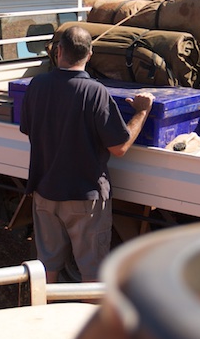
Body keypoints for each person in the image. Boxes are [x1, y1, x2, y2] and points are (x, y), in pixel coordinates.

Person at [20, 25, 154, 283]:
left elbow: (28, 129)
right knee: (92, 274)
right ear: (89, 55)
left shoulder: (36, 85)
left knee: (46, 269)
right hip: (85, 198)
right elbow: (120, 147)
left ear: (58, 51)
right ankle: (87, 321)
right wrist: (142, 112)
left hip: (45, 194)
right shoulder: (95, 92)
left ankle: (40, 318)